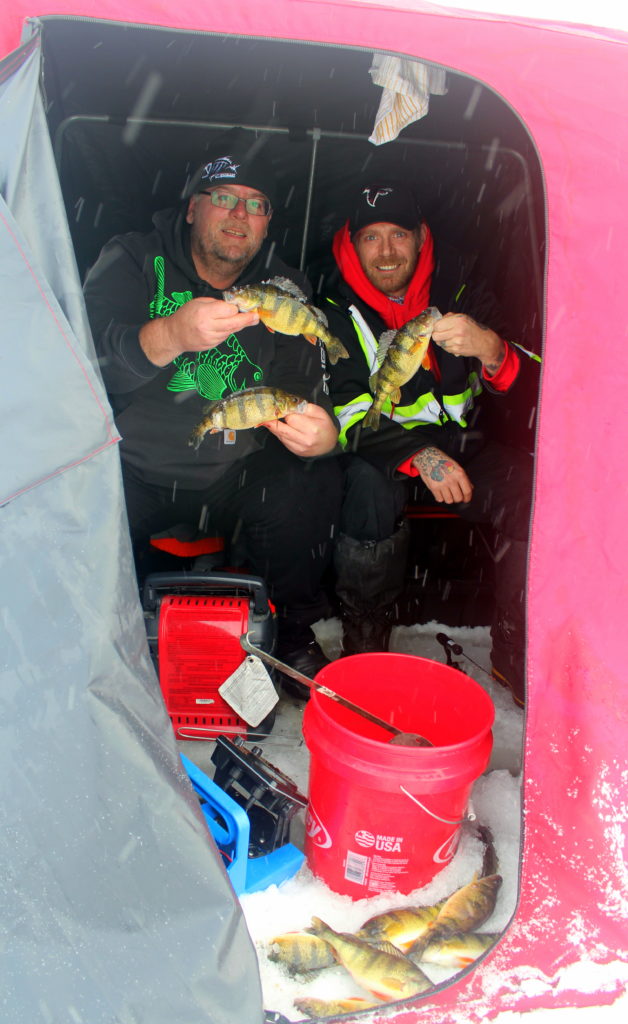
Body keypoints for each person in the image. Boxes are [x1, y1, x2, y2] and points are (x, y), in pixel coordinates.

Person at [83, 130, 341, 677]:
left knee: (312, 480)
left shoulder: (284, 289)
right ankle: (93, 637)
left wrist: (323, 433)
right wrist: (171, 335)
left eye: (256, 204)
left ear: (267, 222)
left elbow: (304, 390)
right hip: (131, 467)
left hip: (233, 474)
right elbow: (84, 372)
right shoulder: (131, 259)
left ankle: (289, 630)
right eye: (224, 197)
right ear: (194, 208)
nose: (238, 214)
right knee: (79, 494)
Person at [321, 180, 534, 706]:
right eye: (372, 237)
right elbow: (346, 412)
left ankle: (515, 645)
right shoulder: (330, 301)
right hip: (382, 448)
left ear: (420, 238)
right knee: (367, 484)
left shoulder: (463, 286)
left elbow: (539, 386)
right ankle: (367, 640)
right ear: (353, 243)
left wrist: (489, 347)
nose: (387, 251)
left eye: (398, 234)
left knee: (535, 490)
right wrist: (418, 454)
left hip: (468, 443)